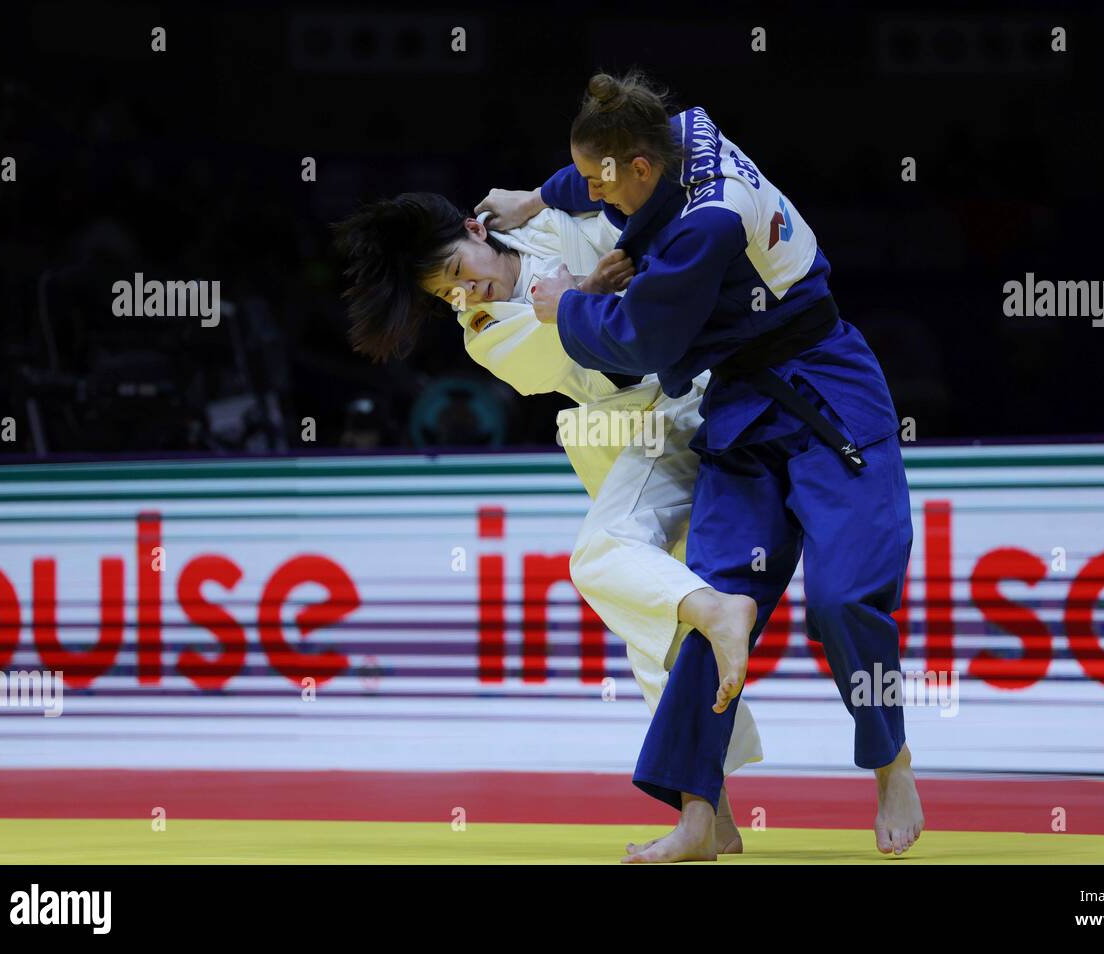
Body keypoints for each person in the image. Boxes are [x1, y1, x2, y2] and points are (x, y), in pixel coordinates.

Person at [479, 70, 923, 862]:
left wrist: (566, 307)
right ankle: (698, 814)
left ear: (640, 171)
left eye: (597, 186)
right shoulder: (674, 128)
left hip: (828, 390)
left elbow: (644, 344)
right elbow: (595, 170)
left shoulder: (706, 225)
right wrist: (538, 198)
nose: (592, 196)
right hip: (740, 407)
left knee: (845, 597)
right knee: (712, 601)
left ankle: (891, 761)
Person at [331, 192, 761, 852]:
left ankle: (719, 611)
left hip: (683, 406)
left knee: (600, 558)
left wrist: (539, 193)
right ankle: (711, 817)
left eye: (457, 266)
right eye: (443, 290)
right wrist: (585, 290)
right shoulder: (486, 334)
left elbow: (611, 183)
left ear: (476, 229)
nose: (462, 289)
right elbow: (594, 347)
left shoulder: (536, 222)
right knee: (647, 630)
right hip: (625, 434)